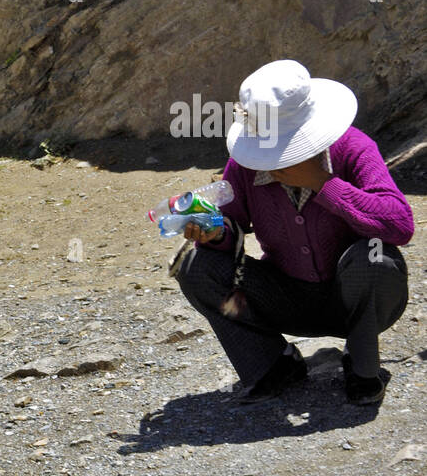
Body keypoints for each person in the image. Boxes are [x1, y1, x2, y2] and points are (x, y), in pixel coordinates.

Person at [176, 59, 414, 406]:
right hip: (286, 298)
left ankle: (362, 365)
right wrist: (214, 234)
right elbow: (232, 226)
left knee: (373, 256)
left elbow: (399, 225)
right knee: (196, 265)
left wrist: (324, 184)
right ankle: (273, 365)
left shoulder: (353, 147)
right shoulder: (246, 165)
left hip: (353, 298)